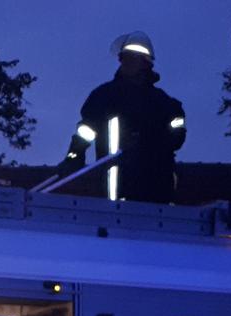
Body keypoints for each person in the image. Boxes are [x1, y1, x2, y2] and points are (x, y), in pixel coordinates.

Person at [56, 31, 186, 203]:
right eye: (125, 58)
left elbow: (177, 137)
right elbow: (86, 130)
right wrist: (74, 156)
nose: (127, 63)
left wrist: (147, 140)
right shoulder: (104, 96)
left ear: (146, 63)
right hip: (116, 192)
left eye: (133, 59)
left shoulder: (164, 103)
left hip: (156, 194)